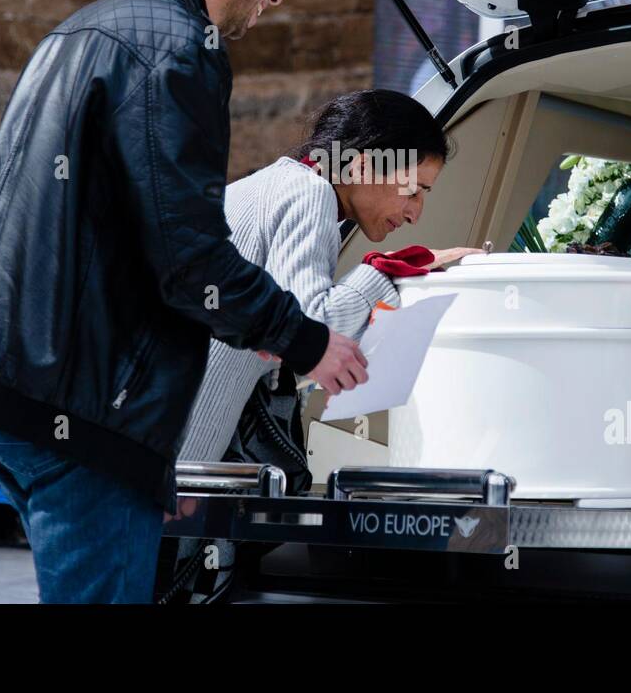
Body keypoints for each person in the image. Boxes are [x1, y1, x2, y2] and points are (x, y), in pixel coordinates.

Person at [0, 0, 369, 604]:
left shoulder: (90, 25)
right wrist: (308, 340)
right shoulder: (182, 49)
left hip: (10, 377)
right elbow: (188, 258)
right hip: (82, 403)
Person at [180, 89, 475, 465]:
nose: (415, 213)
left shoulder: (276, 185)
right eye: (414, 191)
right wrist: (388, 272)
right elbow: (314, 328)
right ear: (363, 166)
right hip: (169, 464)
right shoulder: (310, 193)